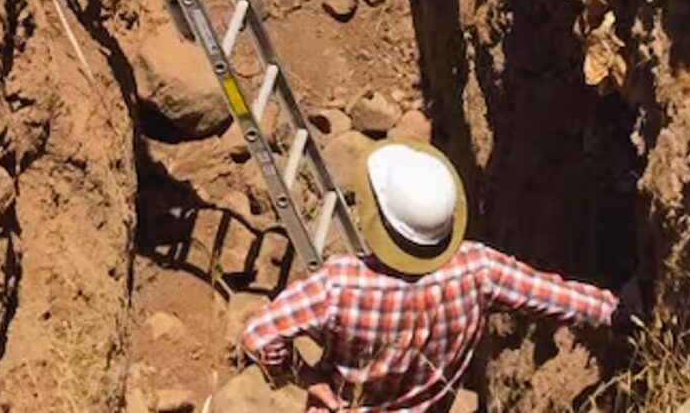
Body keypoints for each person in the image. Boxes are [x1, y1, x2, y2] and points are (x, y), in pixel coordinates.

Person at [235, 142, 628, 411]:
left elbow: (259, 335)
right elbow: (556, 298)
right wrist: (618, 312)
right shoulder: (479, 269)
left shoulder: (338, 284)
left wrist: (305, 377)